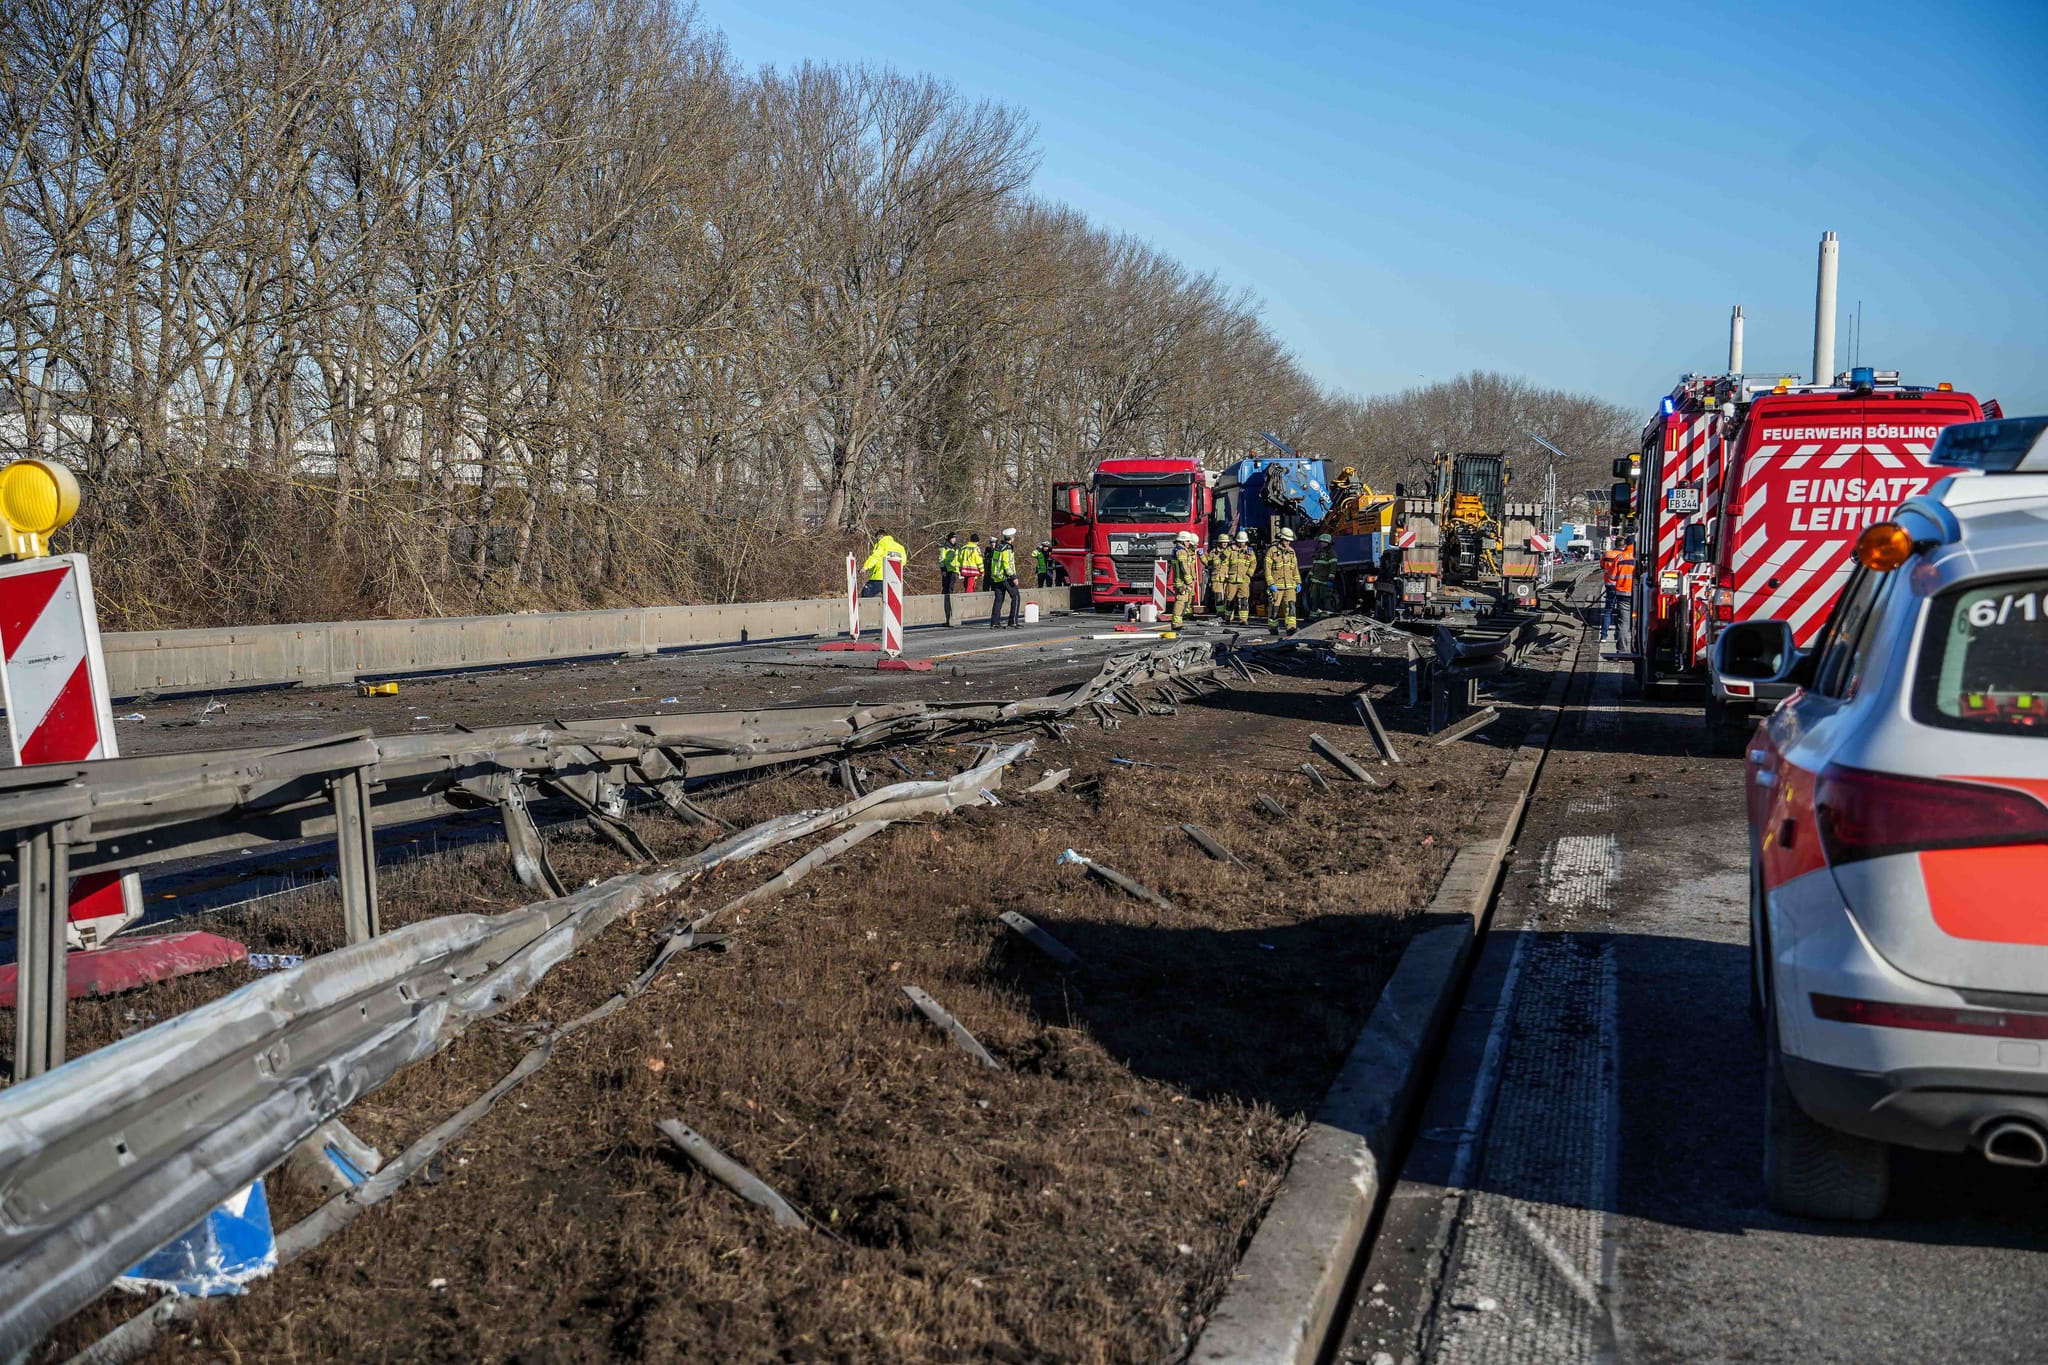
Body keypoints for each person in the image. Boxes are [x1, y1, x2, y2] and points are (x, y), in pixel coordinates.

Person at [1265, 526, 1302, 634]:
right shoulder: (1272, 551)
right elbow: (1267, 569)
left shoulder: (1291, 552)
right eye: (1287, 540)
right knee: (1274, 608)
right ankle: (1273, 628)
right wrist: (1271, 584)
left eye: (1290, 541)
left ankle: (1291, 628)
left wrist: (1298, 582)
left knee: (1291, 606)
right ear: (1281, 538)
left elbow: (1295, 569)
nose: (1288, 543)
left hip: (1290, 585)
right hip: (1277, 585)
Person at [987, 528, 1021, 629]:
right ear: (1012, 538)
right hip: (1006, 576)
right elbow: (1007, 564)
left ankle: (994, 622)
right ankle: (1013, 621)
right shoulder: (1007, 548)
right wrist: (1013, 577)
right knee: (1016, 597)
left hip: (997, 577)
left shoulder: (998, 547)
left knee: (998, 599)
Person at [1170, 530, 1202, 629]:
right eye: (1187, 541)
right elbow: (1184, 567)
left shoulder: (1179, 550)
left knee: (1183, 602)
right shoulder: (1181, 551)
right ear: (1183, 541)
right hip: (1181, 582)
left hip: (1181, 581)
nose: (1189, 543)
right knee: (1180, 602)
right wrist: (1189, 581)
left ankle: (1178, 622)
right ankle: (1176, 623)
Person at [861, 530, 906, 598]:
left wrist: (865, 567)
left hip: (880, 577)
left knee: (866, 594)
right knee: (888, 598)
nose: (877, 541)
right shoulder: (900, 547)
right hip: (894, 578)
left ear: (880, 537)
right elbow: (903, 561)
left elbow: (875, 557)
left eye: (877, 539)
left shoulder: (882, 544)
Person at [1223, 530, 1254, 624]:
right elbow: (1223, 560)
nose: (1241, 543)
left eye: (1243, 542)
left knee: (1244, 600)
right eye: (1240, 542)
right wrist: (1225, 574)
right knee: (1229, 600)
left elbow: (1254, 563)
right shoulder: (1231, 550)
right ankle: (1228, 618)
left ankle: (1243, 620)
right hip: (1232, 579)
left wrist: (1249, 574)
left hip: (1244, 580)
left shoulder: (1249, 552)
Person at [1309, 533, 1339, 615]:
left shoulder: (1331, 553)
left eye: (1324, 542)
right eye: (1321, 542)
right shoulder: (1318, 553)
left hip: (1325, 582)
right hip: (1315, 581)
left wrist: (1330, 579)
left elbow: (1333, 568)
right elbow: (1314, 566)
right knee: (1314, 599)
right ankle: (1313, 616)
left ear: (1328, 543)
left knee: (1326, 600)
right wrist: (1309, 576)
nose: (1322, 543)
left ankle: (1326, 617)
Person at [939, 532, 962, 626]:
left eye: (955, 538)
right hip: (947, 571)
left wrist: (960, 568)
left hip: (954, 570)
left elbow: (958, 559)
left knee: (951, 589)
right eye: (952, 538)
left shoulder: (956, 547)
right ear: (949, 539)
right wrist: (943, 569)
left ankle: (949, 608)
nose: (954, 540)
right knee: (946, 589)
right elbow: (941, 558)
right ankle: (946, 612)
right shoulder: (944, 547)